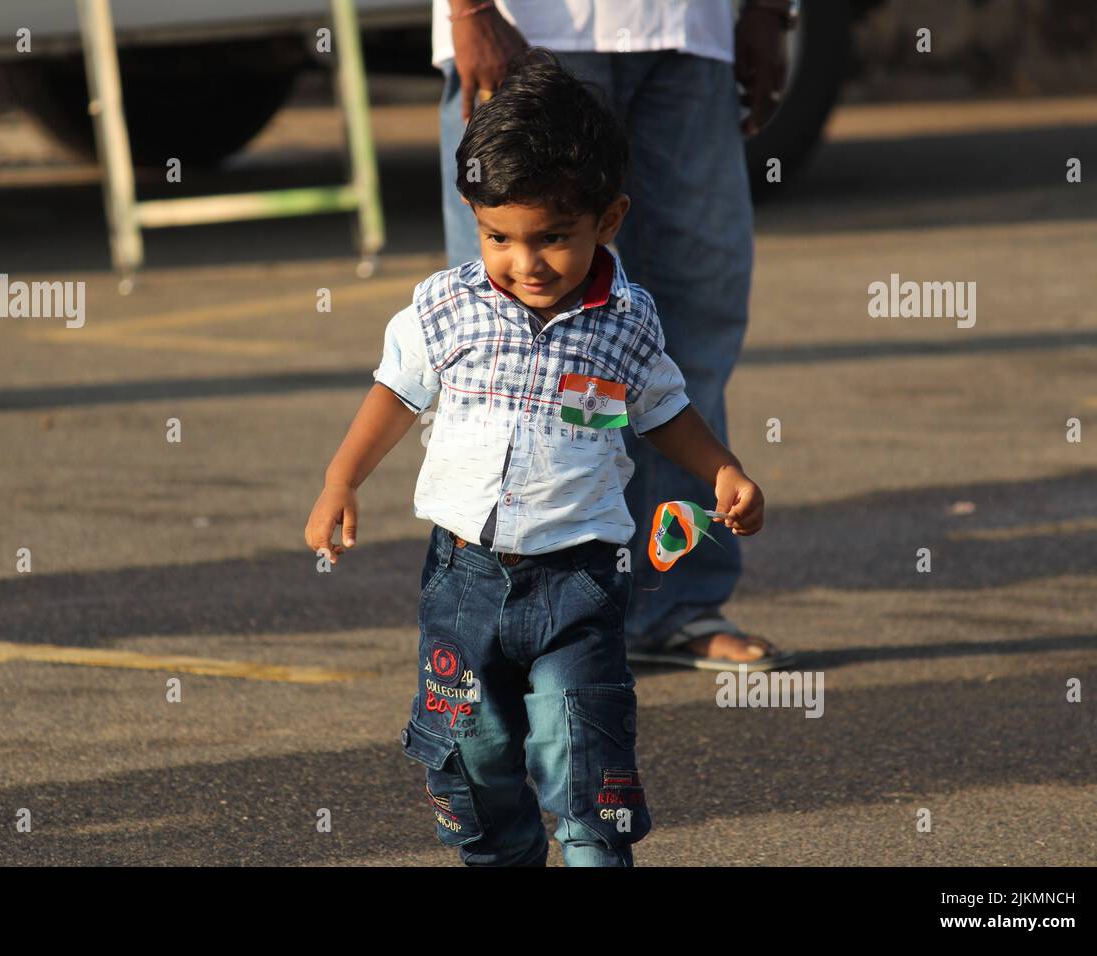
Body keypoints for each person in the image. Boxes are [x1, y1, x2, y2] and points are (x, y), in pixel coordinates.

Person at [305, 50, 767, 866]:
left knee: (582, 755)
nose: (526, 264)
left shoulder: (626, 321)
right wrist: (342, 481)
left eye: (553, 238)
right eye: (499, 237)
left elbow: (664, 409)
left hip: (582, 579)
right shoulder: (447, 308)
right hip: (464, 579)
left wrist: (722, 468)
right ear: (472, 216)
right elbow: (394, 393)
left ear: (610, 220)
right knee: (471, 754)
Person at [434, 0, 798, 670]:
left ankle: (673, 603)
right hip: (529, 26)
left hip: (690, 31)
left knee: (690, 322)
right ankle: (513, 613)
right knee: (514, 340)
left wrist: (771, 9)